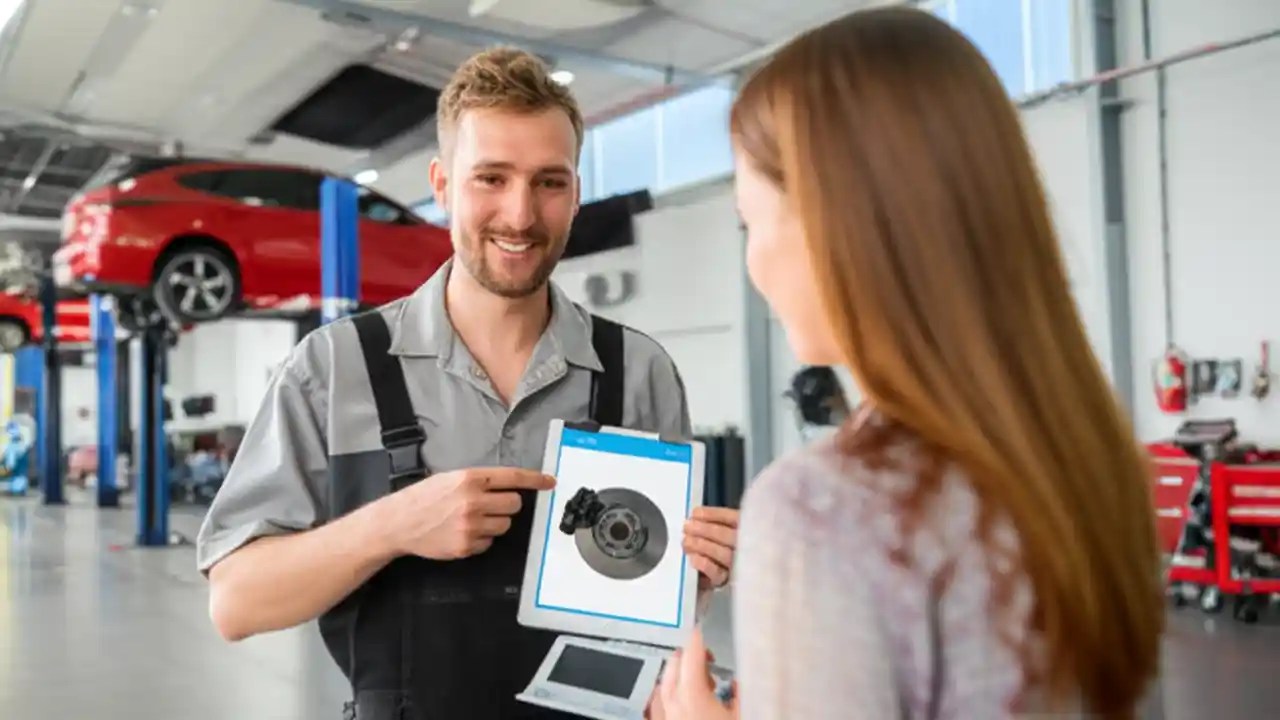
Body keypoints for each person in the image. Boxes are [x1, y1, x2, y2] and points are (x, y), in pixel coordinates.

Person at [196, 47, 739, 720]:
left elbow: (651, 607)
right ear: (443, 184)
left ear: (575, 192)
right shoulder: (333, 369)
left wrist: (695, 576)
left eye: (548, 182)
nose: (520, 215)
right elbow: (236, 603)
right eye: (491, 178)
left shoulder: (638, 371)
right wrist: (392, 525)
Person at [653, 7, 1163, 720]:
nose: (754, 261)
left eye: (751, 221)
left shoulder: (821, 507)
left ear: (834, 224)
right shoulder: (1094, 463)